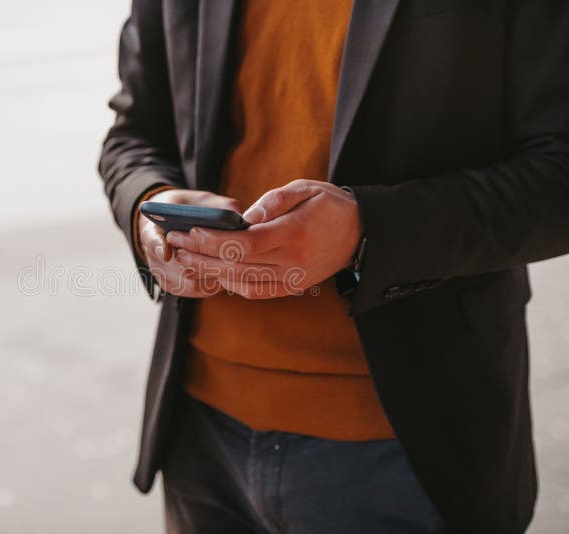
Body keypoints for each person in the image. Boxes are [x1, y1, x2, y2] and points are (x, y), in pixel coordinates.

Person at [99, 1, 569, 533]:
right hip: (200, 437)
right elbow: (132, 134)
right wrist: (152, 209)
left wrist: (368, 230)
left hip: (405, 448)